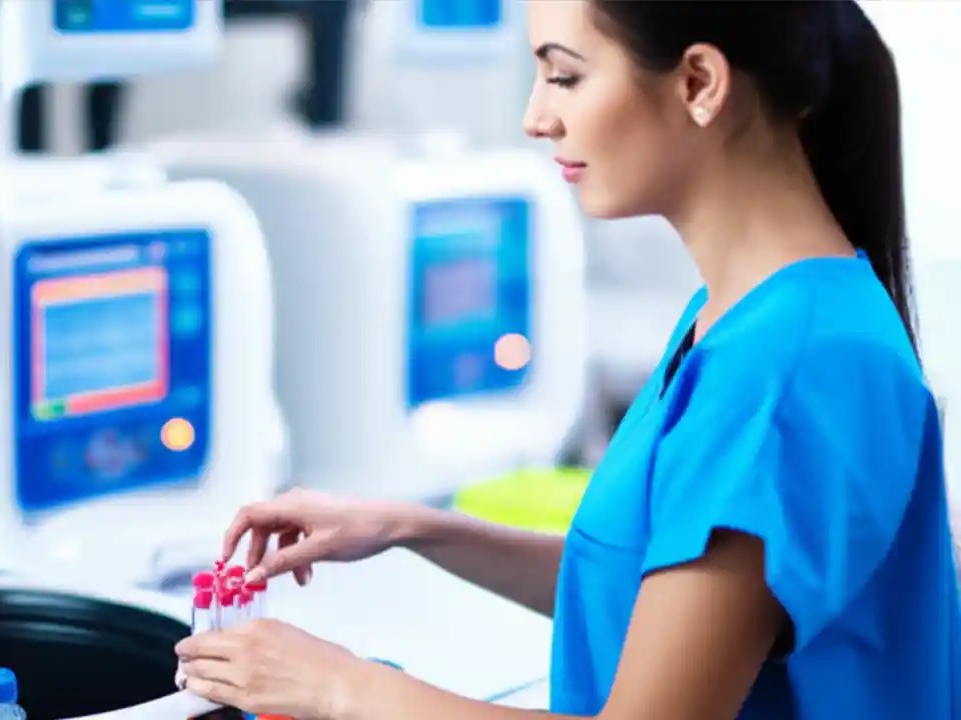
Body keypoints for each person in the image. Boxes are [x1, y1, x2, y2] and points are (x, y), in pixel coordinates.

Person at [174, 1, 961, 718]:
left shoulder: (788, 367)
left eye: (564, 76)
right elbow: (651, 591)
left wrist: (338, 686)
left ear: (698, 82)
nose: (536, 116)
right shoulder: (748, 316)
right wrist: (411, 526)